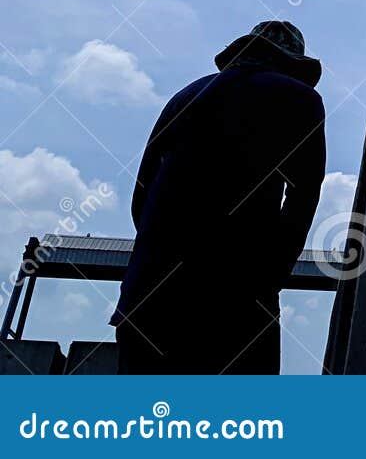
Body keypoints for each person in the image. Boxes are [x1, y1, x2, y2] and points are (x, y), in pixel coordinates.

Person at [112, 21, 326, 373]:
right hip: (234, 301)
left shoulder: (184, 96)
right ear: (292, 63)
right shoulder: (299, 97)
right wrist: (269, 275)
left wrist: (162, 253)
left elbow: (142, 197)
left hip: (146, 298)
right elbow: (304, 195)